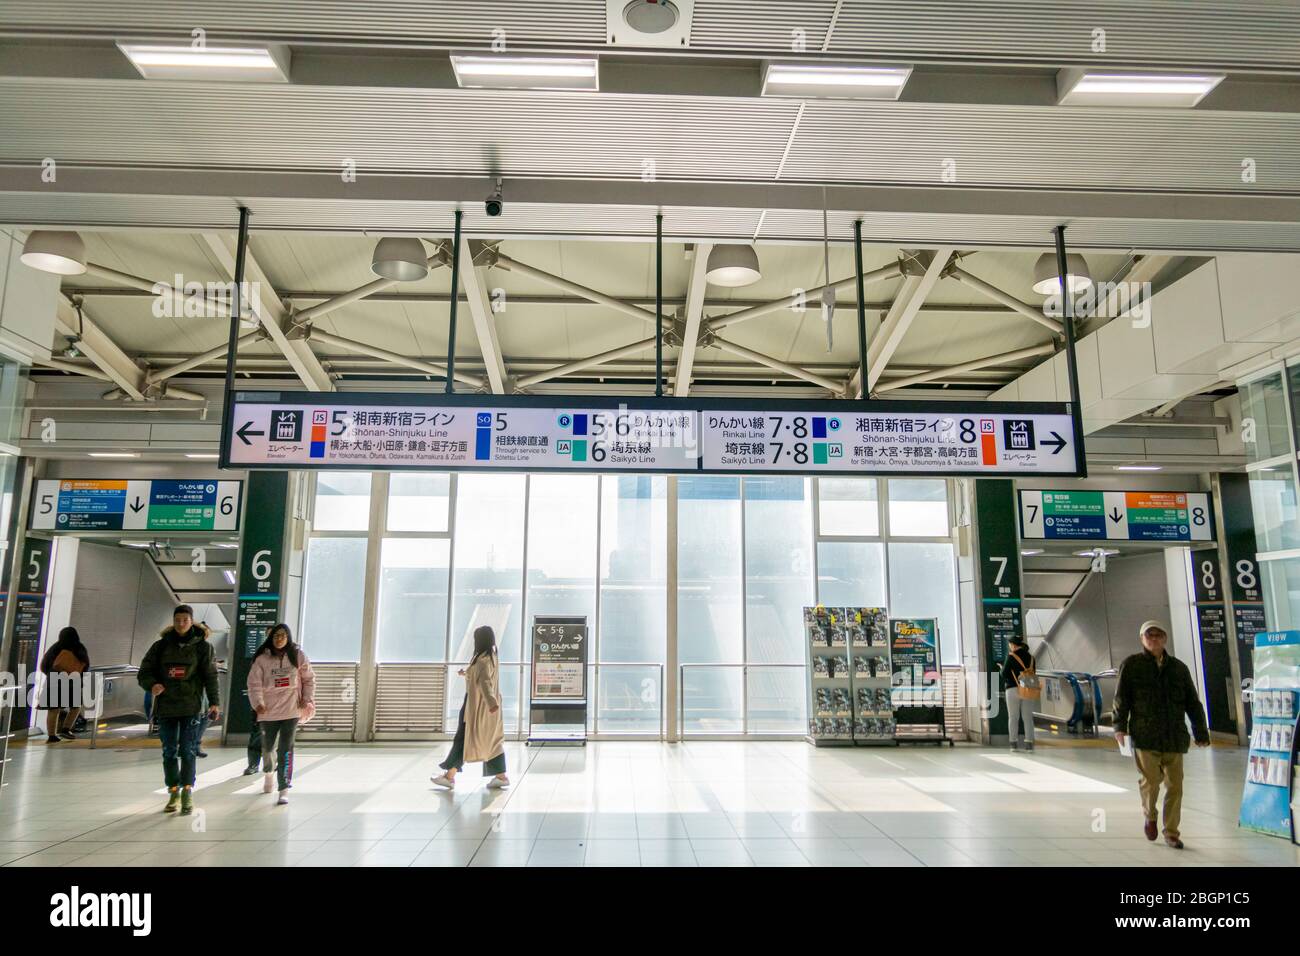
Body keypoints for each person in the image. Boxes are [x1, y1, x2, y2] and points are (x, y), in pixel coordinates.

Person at [1113, 620, 1210, 850]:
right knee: (1151, 782)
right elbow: (1121, 699)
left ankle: (1172, 832)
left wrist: (1200, 732)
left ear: (1165, 639)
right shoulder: (1132, 665)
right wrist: (1119, 727)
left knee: (1175, 785)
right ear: (1142, 639)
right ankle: (1150, 815)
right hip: (1144, 734)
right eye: (1149, 635)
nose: (1154, 639)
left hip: (1174, 735)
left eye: (1158, 635)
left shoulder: (1178, 668)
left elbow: (1192, 702)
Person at [137, 605, 220, 815]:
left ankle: (187, 791)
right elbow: (144, 672)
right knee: (169, 751)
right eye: (178, 620)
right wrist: (152, 685)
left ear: (192, 621)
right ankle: (173, 790)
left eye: (185, 620)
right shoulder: (161, 646)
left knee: (188, 750)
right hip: (166, 707)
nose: (181, 623)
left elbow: (211, 676)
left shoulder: (203, 647)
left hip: (191, 706)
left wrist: (214, 702)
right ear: (173, 621)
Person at [431, 625, 508, 790]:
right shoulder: (492, 656)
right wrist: (465, 674)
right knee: (492, 741)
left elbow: (485, 682)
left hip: (478, 706)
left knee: (463, 738)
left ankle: (449, 776)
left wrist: (491, 702)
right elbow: (481, 677)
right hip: (489, 707)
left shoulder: (481, 660)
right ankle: (501, 776)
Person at [246, 623, 315, 805]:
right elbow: (253, 684)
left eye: (283, 635)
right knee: (268, 748)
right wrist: (257, 704)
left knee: (286, 749)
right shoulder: (262, 659)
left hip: (291, 709)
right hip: (268, 711)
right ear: (271, 637)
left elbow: (309, 679)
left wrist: (306, 699)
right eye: (276, 635)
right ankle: (269, 772)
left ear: (288, 637)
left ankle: (284, 787)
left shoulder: (298, 655)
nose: (279, 639)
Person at [39, 626, 90, 744]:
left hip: (54, 680)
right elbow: (86, 665)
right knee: (75, 707)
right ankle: (66, 729)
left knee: (53, 709)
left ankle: (51, 736)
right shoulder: (79, 648)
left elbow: (44, 665)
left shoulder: (56, 648)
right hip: (73, 681)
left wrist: (51, 673)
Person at [1001, 637, 1037, 753]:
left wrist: (1001, 668)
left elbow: (1004, 673)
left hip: (1013, 689)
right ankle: (1029, 745)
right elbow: (1032, 673)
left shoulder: (1011, 656)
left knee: (1013, 717)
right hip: (1028, 689)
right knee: (1028, 718)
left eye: (1010, 644)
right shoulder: (1031, 658)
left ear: (1013, 645)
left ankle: (1013, 744)